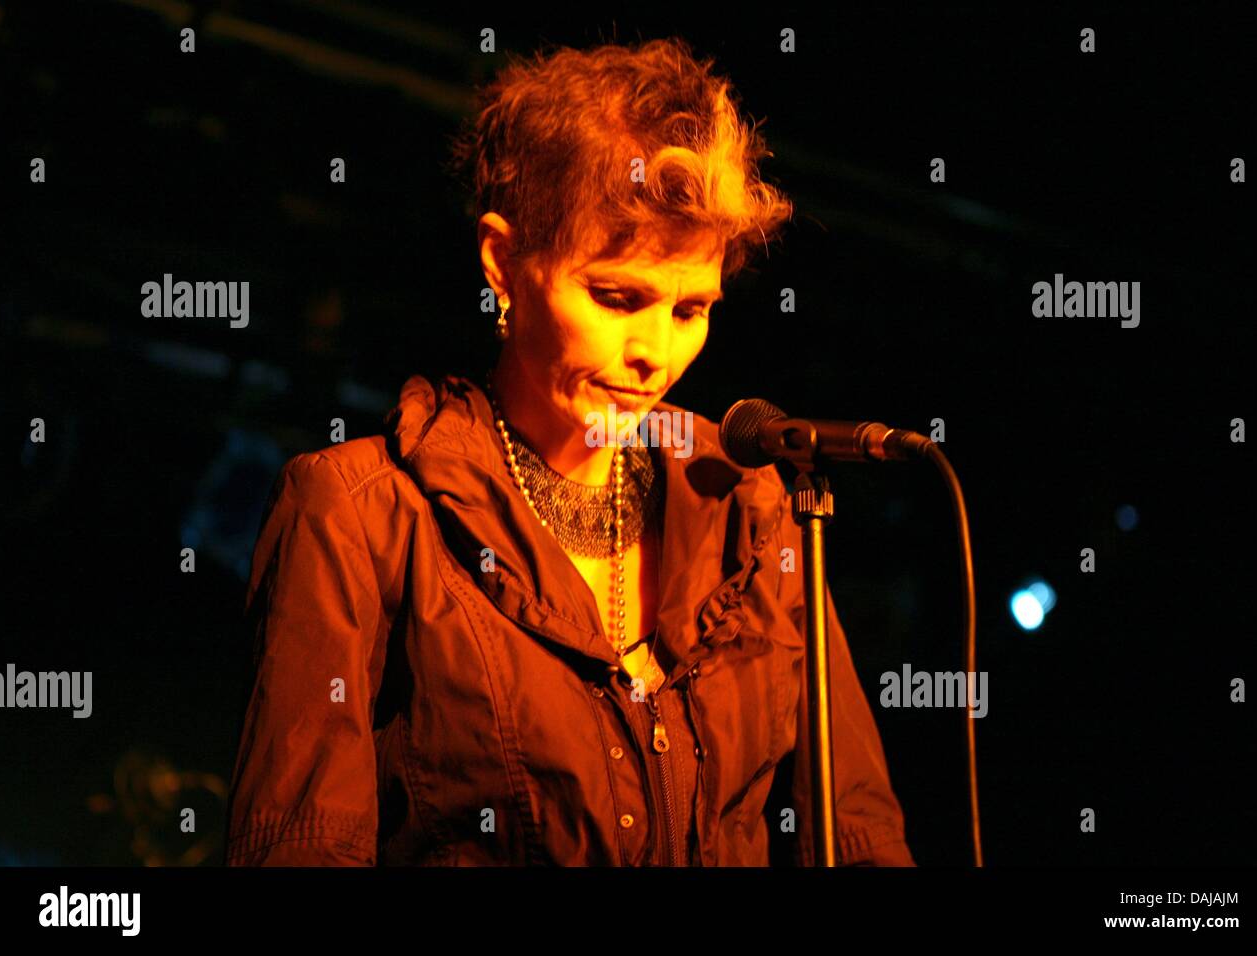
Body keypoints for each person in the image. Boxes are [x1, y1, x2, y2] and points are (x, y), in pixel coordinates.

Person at [224, 36, 914, 866]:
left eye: (690, 310)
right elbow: (301, 850)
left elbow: (860, 837)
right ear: (504, 262)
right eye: (618, 297)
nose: (655, 353)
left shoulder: (755, 511)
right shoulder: (359, 512)